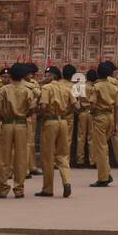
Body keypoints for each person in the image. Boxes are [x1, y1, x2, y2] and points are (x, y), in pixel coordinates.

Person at [0, 62, 35, 198]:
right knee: (21, 157)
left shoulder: (3, 90)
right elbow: (32, 108)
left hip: (6, 124)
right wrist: (25, 115)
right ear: (23, 76)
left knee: (4, 157)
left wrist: (3, 117)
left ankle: (3, 188)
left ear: (10, 75)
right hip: (21, 125)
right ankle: (19, 189)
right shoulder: (27, 90)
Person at [36, 65, 74, 198]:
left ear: (52, 77)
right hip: (63, 121)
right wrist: (64, 113)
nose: (45, 78)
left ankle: (48, 188)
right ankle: (67, 181)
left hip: (50, 121)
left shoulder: (46, 88)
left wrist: (40, 113)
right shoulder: (66, 88)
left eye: (47, 75)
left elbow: (44, 105)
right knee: (63, 155)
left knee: (47, 156)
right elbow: (76, 105)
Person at [89, 61, 118, 187]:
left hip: (100, 117)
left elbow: (92, 104)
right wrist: (116, 123)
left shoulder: (96, 87)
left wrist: (94, 110)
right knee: (104, 146)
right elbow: (117, 106)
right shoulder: (114, 87)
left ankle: (103, 178)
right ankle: (107, 173)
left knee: (100, 147)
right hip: (110, 116)